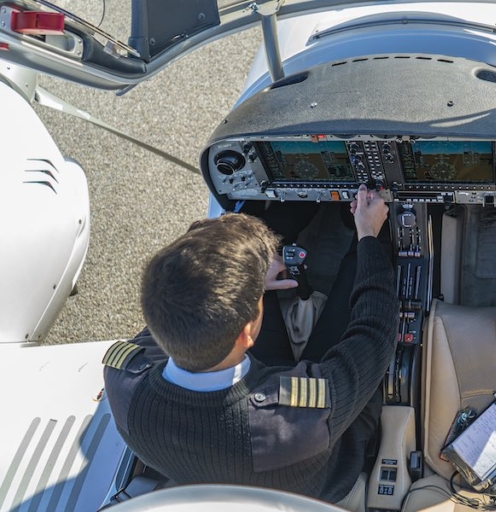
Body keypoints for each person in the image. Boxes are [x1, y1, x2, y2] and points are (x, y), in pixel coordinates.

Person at [103, 185, 398, 505]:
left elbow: (182, 304)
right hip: (316, 468)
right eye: (255, 298)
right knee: (357, 295)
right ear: (246, 334)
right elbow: (374, 332)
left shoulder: (123, 380)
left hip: (245, 451)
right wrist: (368, 235)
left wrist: (254, 279)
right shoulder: (302, 414)